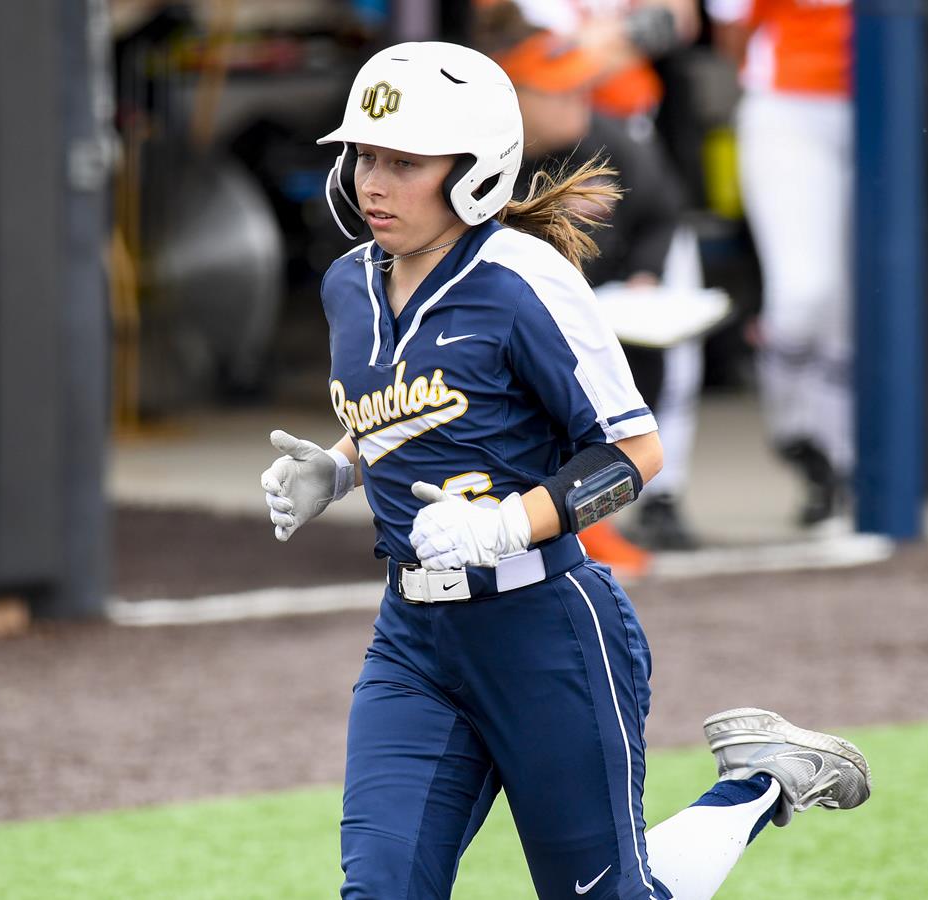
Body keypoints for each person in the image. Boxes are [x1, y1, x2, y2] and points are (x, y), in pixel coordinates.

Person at [260, 42, 871, 899]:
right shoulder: (346, 284)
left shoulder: (523, 280)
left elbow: (634, 453)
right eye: (363, 154)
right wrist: (339, 468)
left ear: (473, 170)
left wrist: (507, 524)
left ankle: (760, 782)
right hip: (414, 638)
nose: (373, 181)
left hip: (544, 627)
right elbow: (422, 412)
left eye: (404, 161)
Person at [482, 5, 707, 551]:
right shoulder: (484, 160)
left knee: (648, 362)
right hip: (508, 326)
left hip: (601, 305)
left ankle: (609, 507)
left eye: (582, 89)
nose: (577, 101)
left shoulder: (614, 143)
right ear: (516, 98)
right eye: (560, 92)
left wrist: (646, 276)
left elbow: (662, 210)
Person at [710, 0, 854, 528]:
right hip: (789, 108)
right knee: (803, 294)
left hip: (883, 105)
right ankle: (796, 432)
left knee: (853, 309)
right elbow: (732, 34)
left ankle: (839, 467)